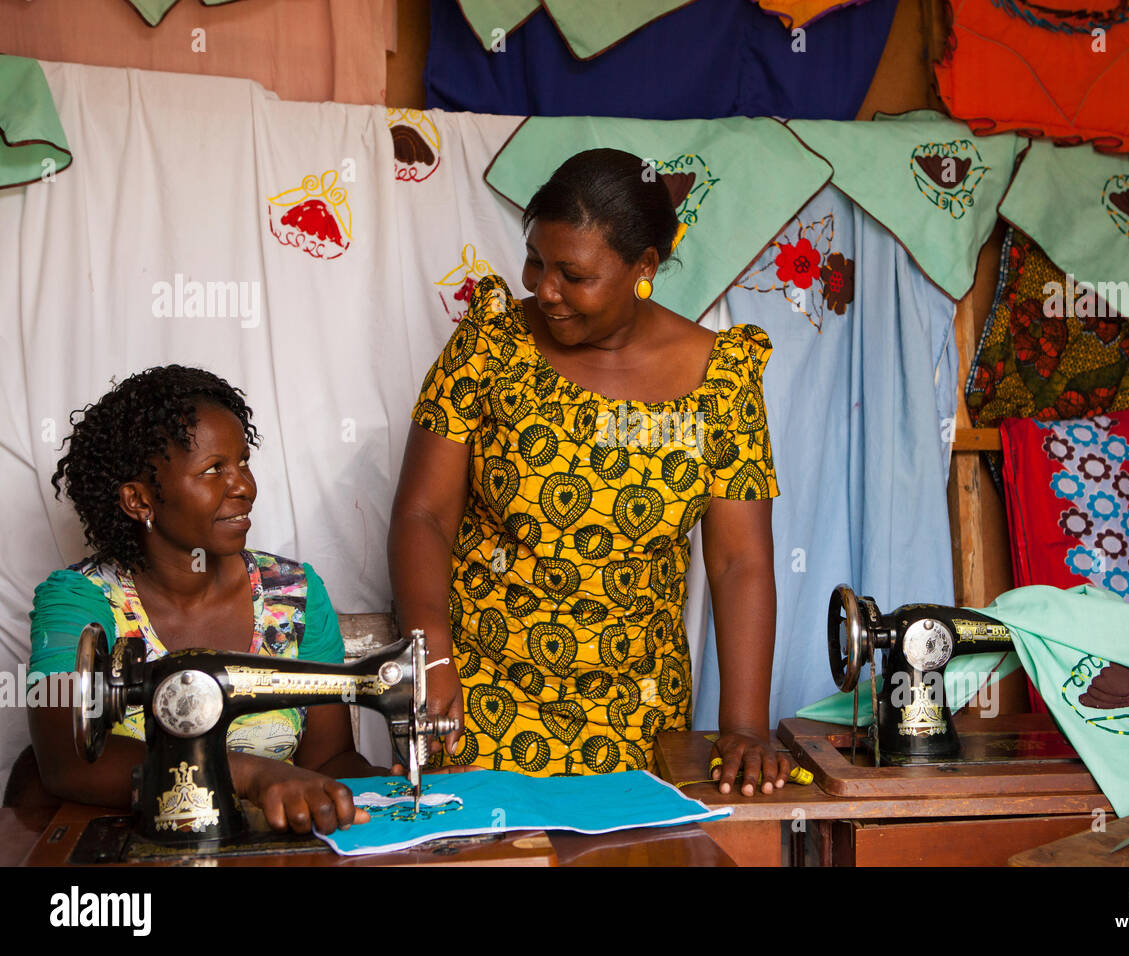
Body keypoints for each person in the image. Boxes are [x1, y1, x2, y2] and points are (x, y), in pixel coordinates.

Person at [390, 148, 792, 795]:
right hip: (478, 696)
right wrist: (432, 658)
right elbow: (423, 514)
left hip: (639, 716)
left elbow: (739, 562)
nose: (544, 290)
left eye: (573, 275)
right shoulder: (491, 344)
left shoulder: (722, 381)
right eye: (536, 262)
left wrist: (743, 726)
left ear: (644, 268)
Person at [28, 366, 415, 834]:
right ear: (139, 501)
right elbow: (66, 763)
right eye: (214, 469)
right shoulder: (79, 601)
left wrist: (396, 789)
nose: (245, 487)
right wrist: (251, 774)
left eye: (243, 462)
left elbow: (328, 761)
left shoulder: (294, 595)